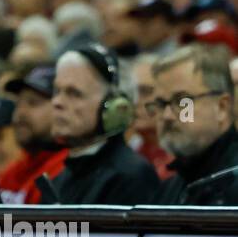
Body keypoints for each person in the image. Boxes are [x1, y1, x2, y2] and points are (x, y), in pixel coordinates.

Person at [49, 43, 160, 204]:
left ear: (115, 107)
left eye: (74, 93)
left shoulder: (132, 177)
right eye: (56, 91)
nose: (57, 102)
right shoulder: (61, 178)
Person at [151, 45, 238, 205]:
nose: (167, 115)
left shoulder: (232, 179)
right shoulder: (170, 187)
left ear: (222, 107)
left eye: (182, 102)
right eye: (161, 103)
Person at [0, 65, 68, 204]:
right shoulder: (14, 170)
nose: (20, 113)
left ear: (61, 108)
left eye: (33, 103)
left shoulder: (67, 171)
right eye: (18, 103)